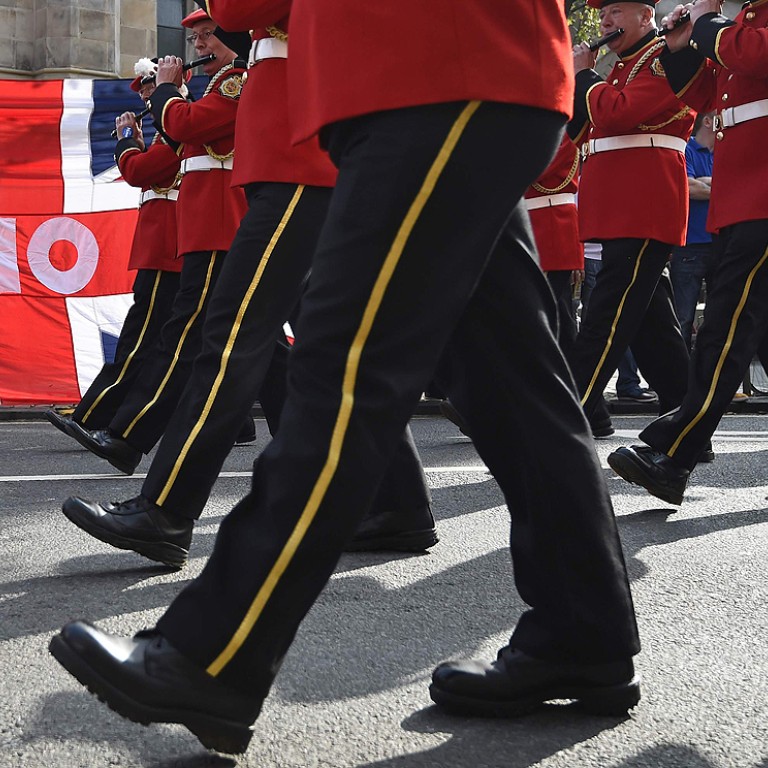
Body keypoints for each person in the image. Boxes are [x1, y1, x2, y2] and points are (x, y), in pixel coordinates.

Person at [49, 0, 640, 754]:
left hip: (433, 71)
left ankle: (211, 654)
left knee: (343, 371)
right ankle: (581, 633)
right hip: (444, 74)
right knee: (514, 389)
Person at [59, 8, 437, 567]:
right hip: (295, 171)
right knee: (331, 354)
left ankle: (165, 509)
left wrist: (168, 92)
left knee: (230, 338)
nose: (200, 41)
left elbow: (235, 11)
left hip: (297, 173)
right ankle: (398, 507)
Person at [64, 10, 248, 474]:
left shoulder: (236, 82)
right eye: (196, 38)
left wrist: (157, 104)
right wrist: (163, 105)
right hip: (202, 230)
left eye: (207, 37)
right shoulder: (211, 89)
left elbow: (160, 157)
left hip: (219, 227)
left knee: (180, 336)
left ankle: (129, 433)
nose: (198, 48)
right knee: (234, 340)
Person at [608, 0, 768, 506]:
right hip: (745, 199)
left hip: (761, 198)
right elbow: (694, 95)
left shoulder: (743, 30)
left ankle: (674, 455)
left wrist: (704, 23)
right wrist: (680, 48)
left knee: (723, 330)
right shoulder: (739, 25)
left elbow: (752, 57)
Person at [567, 0, 694, 428]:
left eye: (617, 11)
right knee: (650, 325)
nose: (605, 21)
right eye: (604, 13)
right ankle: (686, 421)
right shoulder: (622, 68)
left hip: (643, 205)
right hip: (621, 206)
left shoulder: (662, 59)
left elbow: (617, 115)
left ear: (647, 17)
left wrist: (584, 75)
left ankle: (566, 414)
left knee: (605, 317)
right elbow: (584, 130)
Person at [44, 62, 184, 438]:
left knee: (140, 339)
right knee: (170, 341)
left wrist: (125, 142)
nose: (144, 95)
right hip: (165, 247)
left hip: (171, 249)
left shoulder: (180, 124)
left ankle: (94, 415)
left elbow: (147, 172)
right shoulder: (168, 126)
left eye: (151, 87)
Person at [669, 110, 716, 351]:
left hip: (720, 245)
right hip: (690, 246)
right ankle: (680, 381)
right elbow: (686, 187)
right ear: (708, 121)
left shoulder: (723, 151)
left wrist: (706, 182)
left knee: (719, 318)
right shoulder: (686, 149)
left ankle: (707, 378)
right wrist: (721, 189)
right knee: (683, 318)